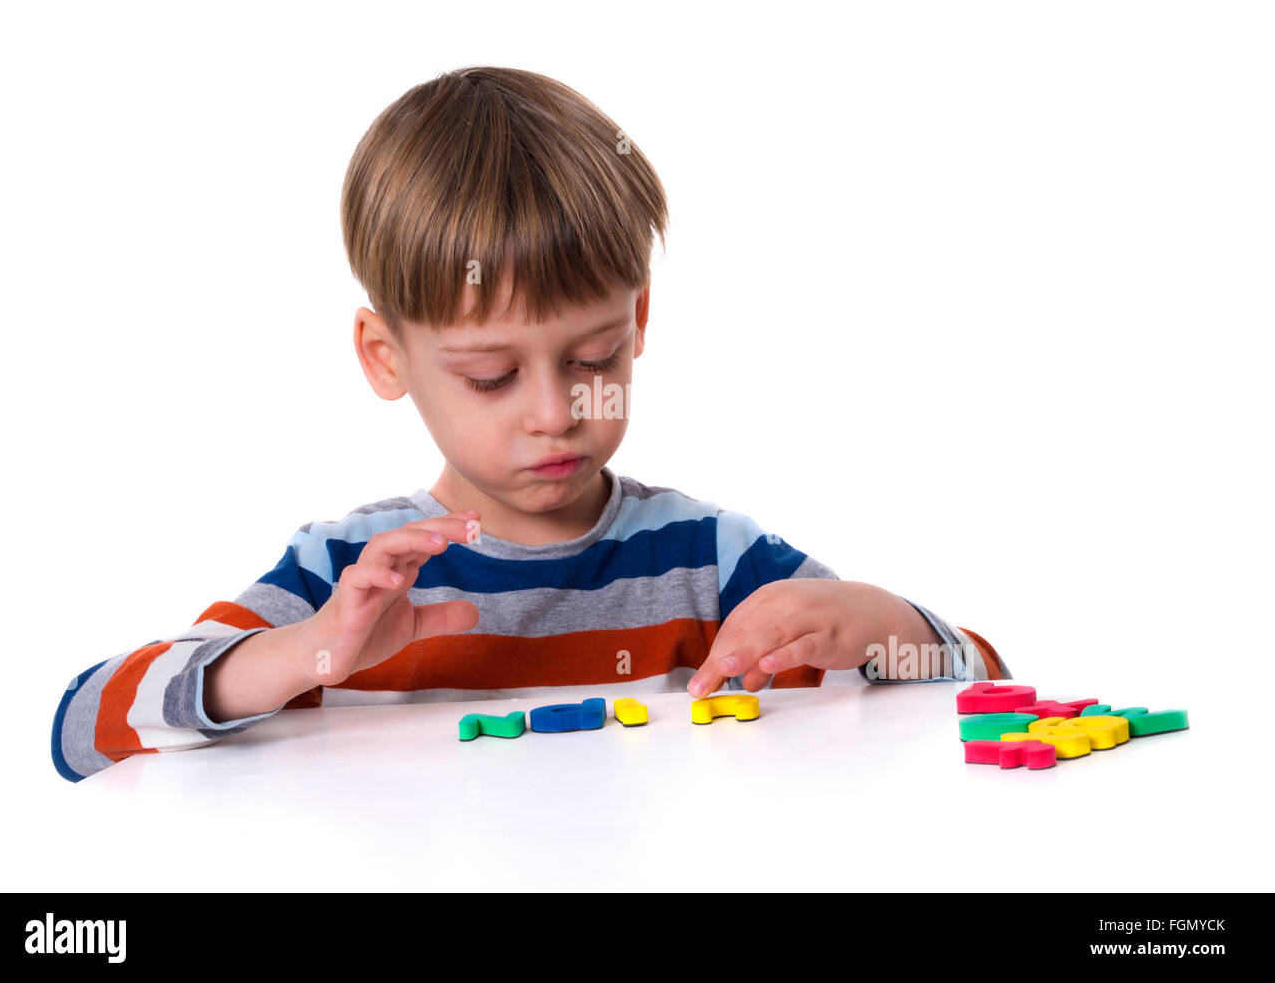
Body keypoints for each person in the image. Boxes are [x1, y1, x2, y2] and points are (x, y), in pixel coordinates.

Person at [52, 66, 1009, 783]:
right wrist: (307, 654)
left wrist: (883, 625)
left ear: (637, 325)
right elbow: (81, 727)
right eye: (491, 374)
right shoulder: (342, 575)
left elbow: (980, 685)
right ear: (387, 357)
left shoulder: (709, 559)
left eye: (595, 359)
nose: (556, 412)